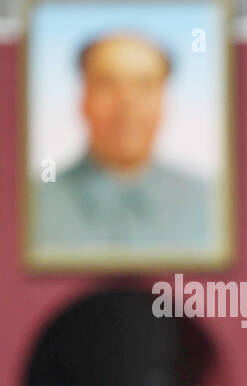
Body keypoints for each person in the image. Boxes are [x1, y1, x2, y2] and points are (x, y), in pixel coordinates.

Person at [33, 32, 211, 251]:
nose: (126, 103)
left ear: (164, 103)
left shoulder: (208, 203)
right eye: (107, 85)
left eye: (144, 86)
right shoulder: (34, 204)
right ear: (83, 100)